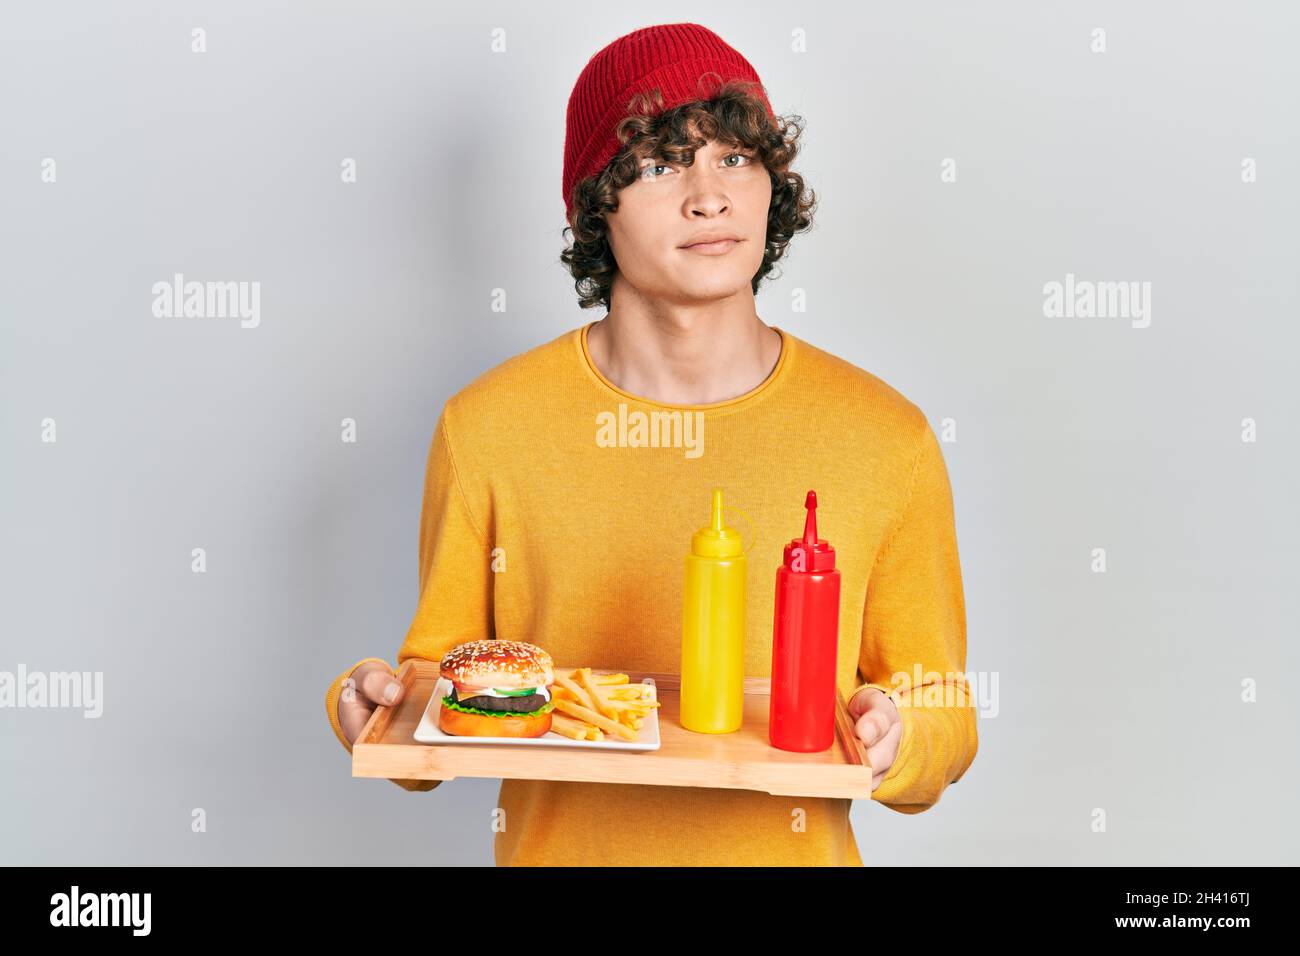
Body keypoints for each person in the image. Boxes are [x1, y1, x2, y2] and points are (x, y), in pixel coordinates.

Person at [325, 22, 977, 866]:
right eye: (662, 164)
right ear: (597, 203)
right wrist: (363, 704)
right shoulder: (485, 427)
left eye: (737, 158)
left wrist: (900, 739)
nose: (710, 196)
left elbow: (943, 706)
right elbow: (441, 692)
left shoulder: (886, 437)